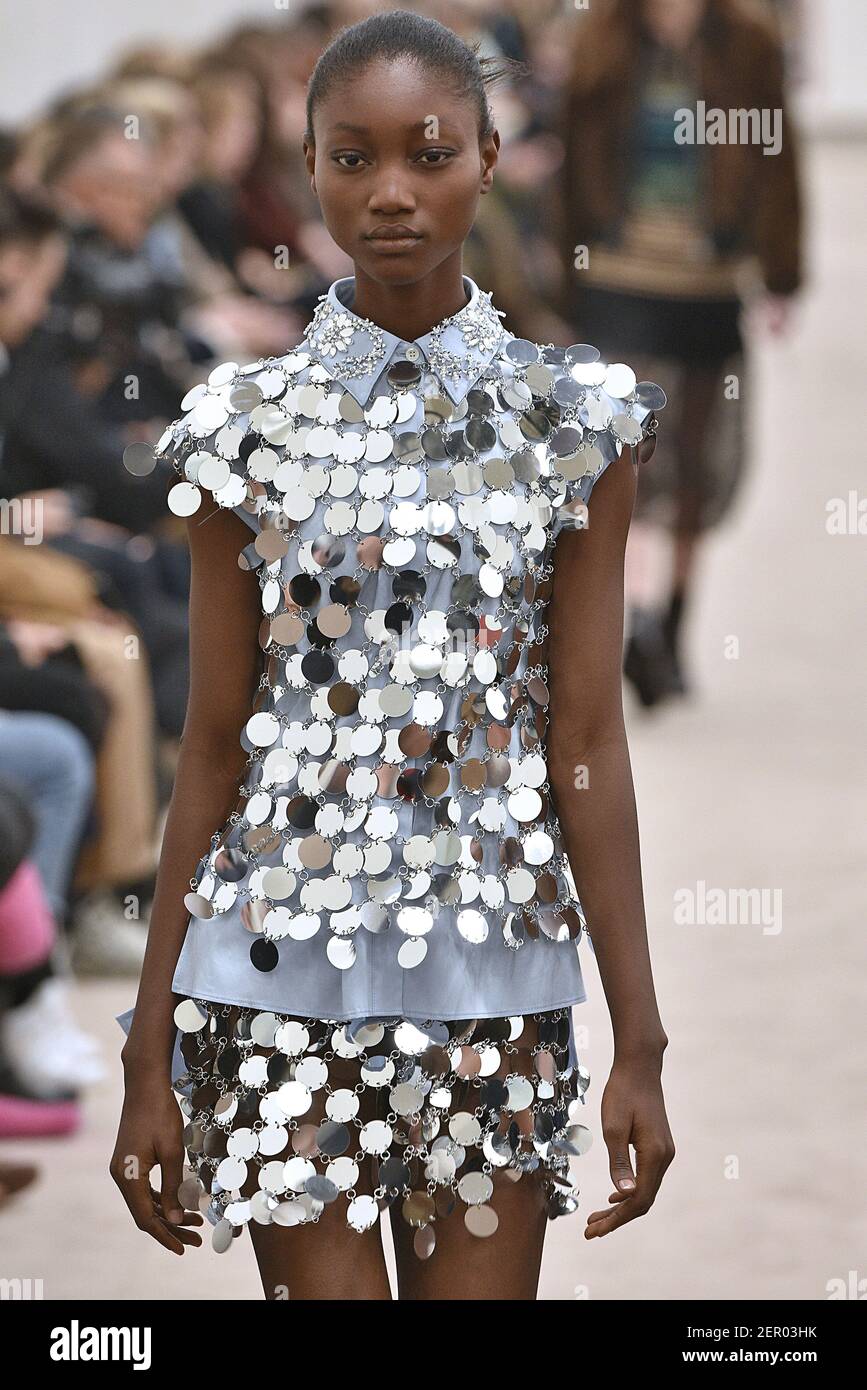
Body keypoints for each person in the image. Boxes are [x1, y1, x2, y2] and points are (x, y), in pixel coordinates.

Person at [112, 10, 673, 1302]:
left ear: (486, 154)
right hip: (265, 981)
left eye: (427, 154)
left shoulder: (575, 425)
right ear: (306, 168)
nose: (390, 193)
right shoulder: (238, 426)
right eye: (350, 158)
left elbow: (584, 737)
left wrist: (635, 1033)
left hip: (496, 978)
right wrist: (151, 1049)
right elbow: (212, 742)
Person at [557, 0, 802, 704]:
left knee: (697, 460)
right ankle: (631, 623)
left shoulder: (747, 43)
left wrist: (779, 271)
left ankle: (672, 623)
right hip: (616, 273)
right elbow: (573, 159)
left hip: (708, 277)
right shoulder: (600, 36)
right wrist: (566, 272)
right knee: (624, 460)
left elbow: (776, 156)